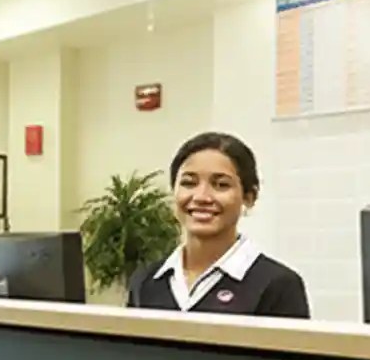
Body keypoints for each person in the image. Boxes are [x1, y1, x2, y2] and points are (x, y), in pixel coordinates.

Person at [126, 131, 310, 318]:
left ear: (249, 197)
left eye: (221, 185)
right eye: (189, 183)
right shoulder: (145, 281)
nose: (201, 197)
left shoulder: (278, 286)